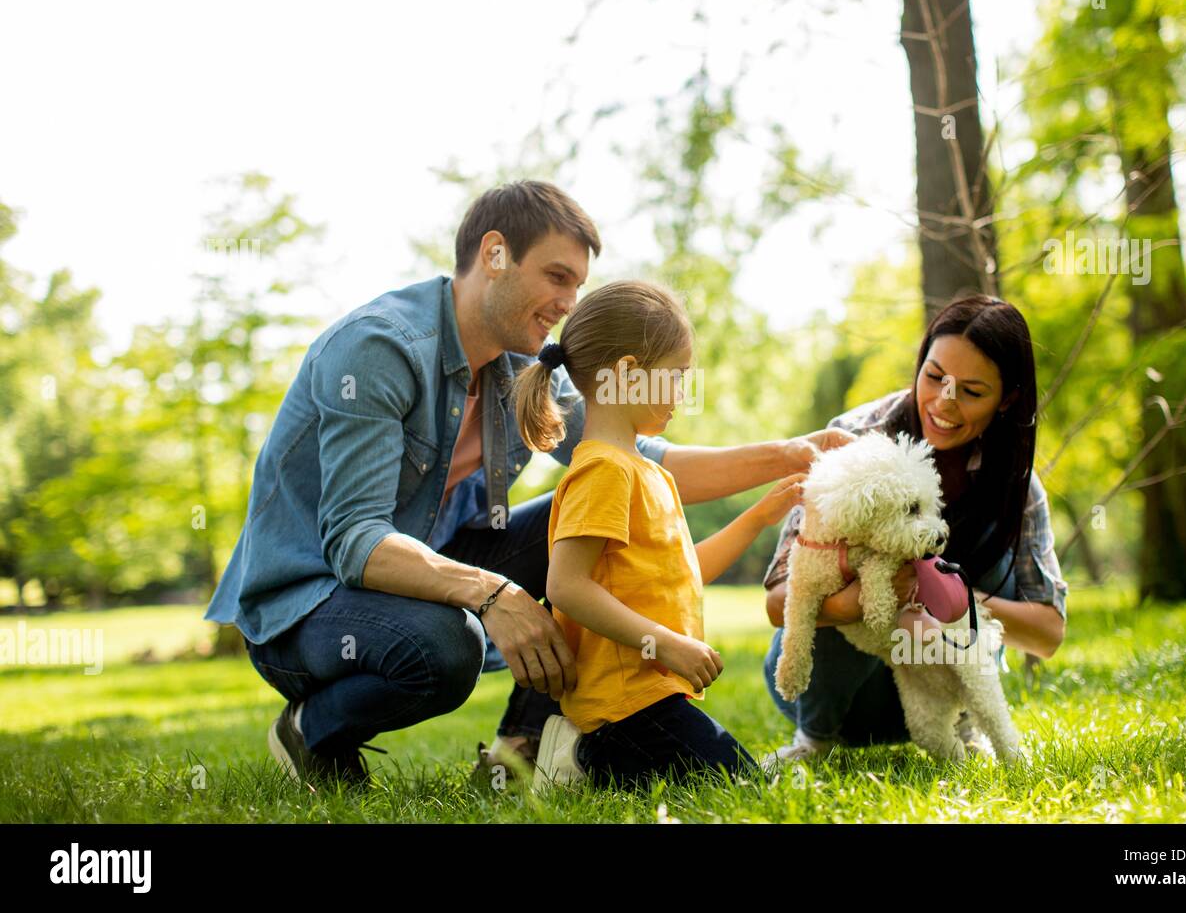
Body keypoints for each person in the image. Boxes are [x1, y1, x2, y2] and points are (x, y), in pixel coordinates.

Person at [203, 180, 852, 787]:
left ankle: (523, 751)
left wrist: (791, 454)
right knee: (445, 645)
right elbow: (354, 541)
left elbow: (641, 461)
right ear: (494, 254)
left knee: (573, 519)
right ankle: (313, 731)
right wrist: (495, 594)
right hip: (307, 604)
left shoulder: (522, 364)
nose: (570, 303)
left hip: (423, 570)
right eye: (557, 276)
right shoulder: (381, 349)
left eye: (578, 285)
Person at [516, 280, 804, 791]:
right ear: (628, 375)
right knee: (745, 785)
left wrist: (757, 517)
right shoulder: (603, 471)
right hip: (627, 704)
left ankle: (588, 755)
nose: (682, 393)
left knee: (736, 776)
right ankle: (583, 754)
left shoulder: (646, 472)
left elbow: (683, 572)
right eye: (676, 377)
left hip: (653, 695)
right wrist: (665, 643)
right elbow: (566, 585)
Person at [761, 294, 1069, 765]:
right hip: (842, 698)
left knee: (994, 552)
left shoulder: (1015, 486)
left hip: (943, 688)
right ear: (920, 362)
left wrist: (954, 598)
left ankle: (967, 732)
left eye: (971, 390)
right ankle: (813, 742)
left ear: (1006, 399)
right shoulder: (853, 441)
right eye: (935, 377)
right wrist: (863, 597)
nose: (944, 402)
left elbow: (1047, 633)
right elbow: (779, 601)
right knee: (828, 576)